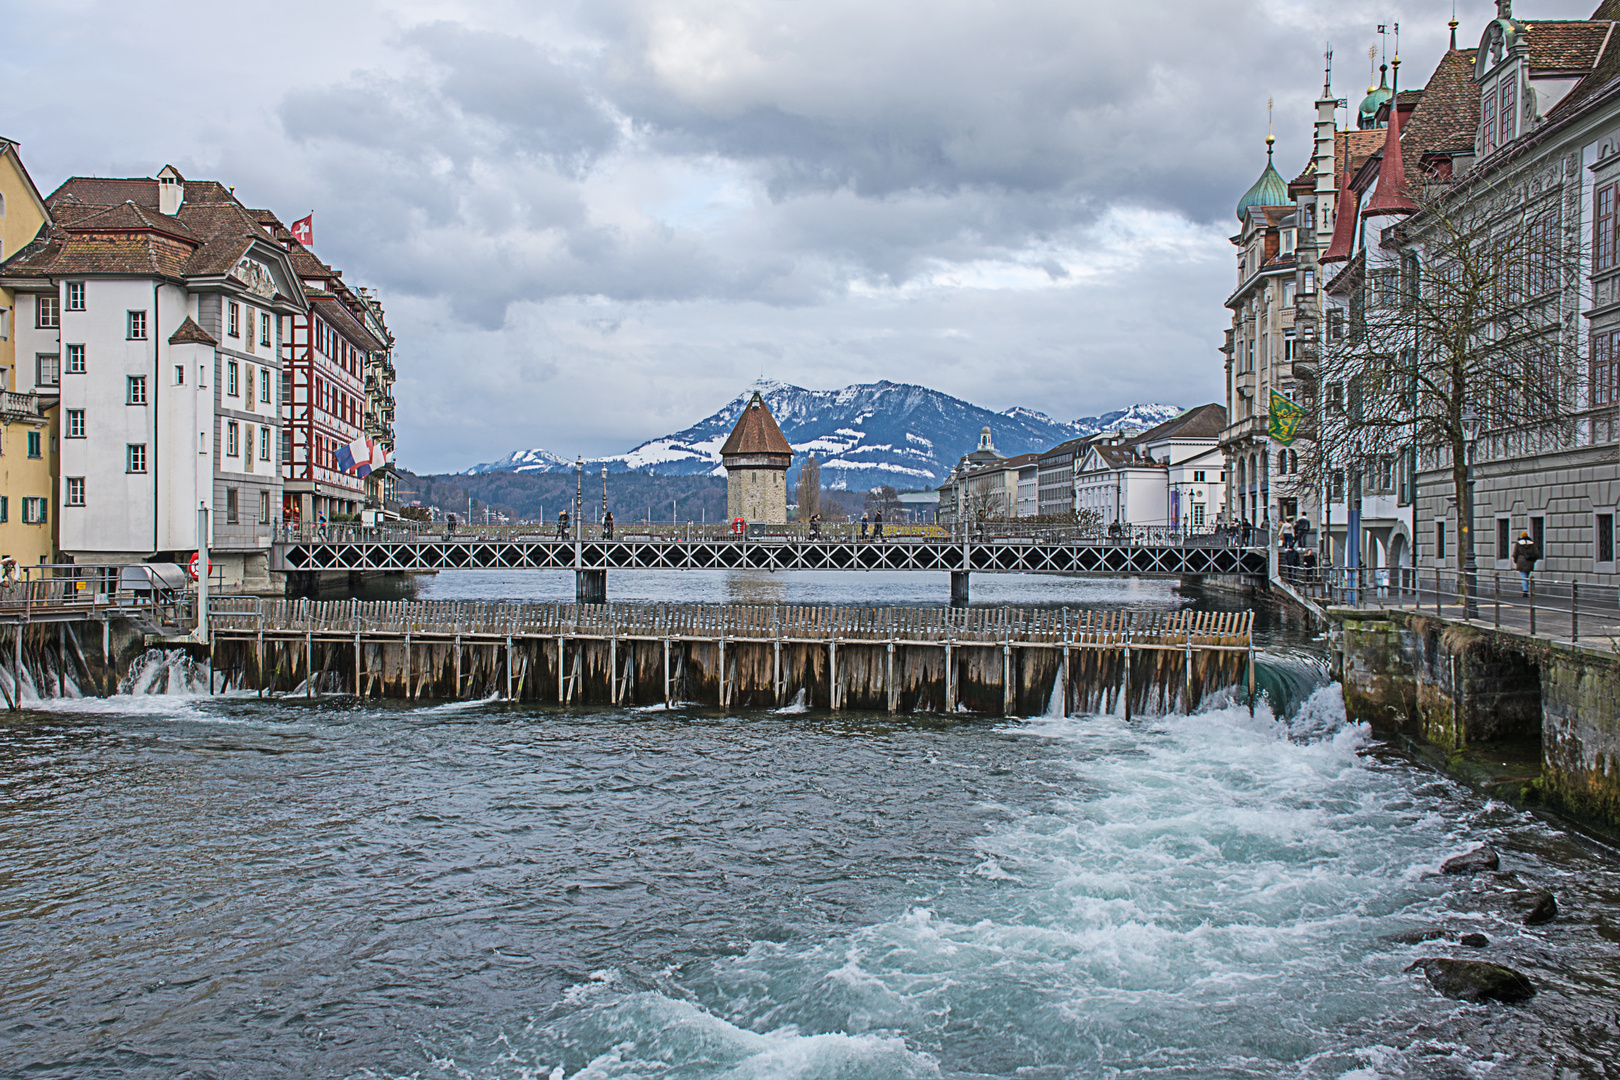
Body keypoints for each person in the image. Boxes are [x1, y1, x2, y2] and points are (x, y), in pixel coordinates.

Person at [1512, 530, 1541, 595]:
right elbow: (1537, 554)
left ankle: (1525, 590)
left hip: (1521, 561)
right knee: (1527, 576)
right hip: (1529, 561)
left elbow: (1515, 554)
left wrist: (1516, 561)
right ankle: (1526, 589)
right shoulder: (1532, 544)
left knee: (1523, 576)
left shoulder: (1518, 544)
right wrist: (1533, 560)